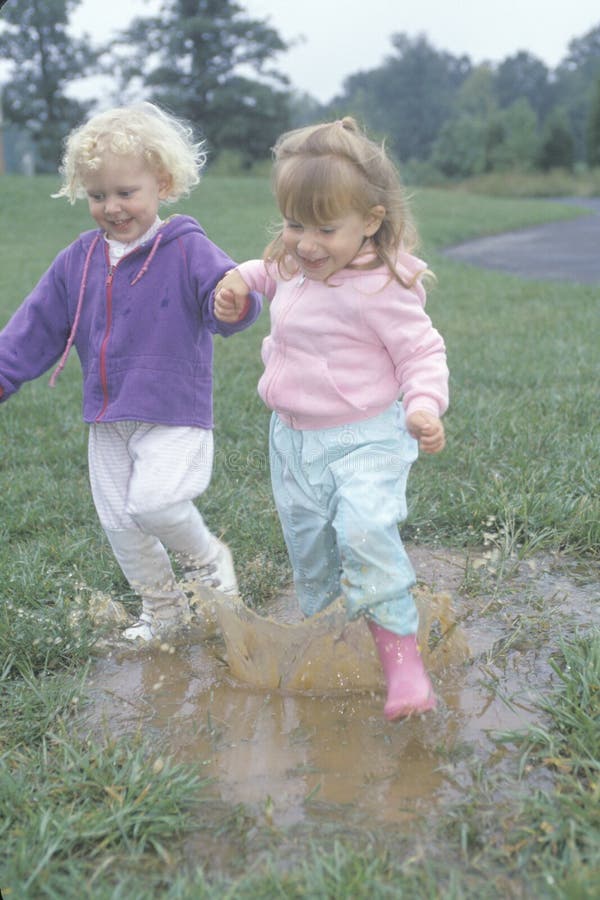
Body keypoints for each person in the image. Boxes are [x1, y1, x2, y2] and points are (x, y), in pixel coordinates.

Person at [0, 102, 262, 642]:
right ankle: (163, 612)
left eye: (126, 192)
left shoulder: (187, 246)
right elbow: (37, 325)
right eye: (97, 195)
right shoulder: (79, 258)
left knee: (157, 504)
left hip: (172, 410)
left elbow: (230, 292)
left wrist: (233, 303)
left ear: (162, 183)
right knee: (121, 522)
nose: (112, 207)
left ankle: (209, 562)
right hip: (107, 413)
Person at [214, 117, 448, 720]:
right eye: (294, 224)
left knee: (365, 532)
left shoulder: (383, 286)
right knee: (312, 560)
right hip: (292, 443)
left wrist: (423, 406)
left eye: (325, 228)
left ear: (370, 220)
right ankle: (336, 652)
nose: (306, 243)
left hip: (366, 437)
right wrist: (239, 280)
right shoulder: (294, 264)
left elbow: (421, 352)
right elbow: (268, 272)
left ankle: (404, 667)